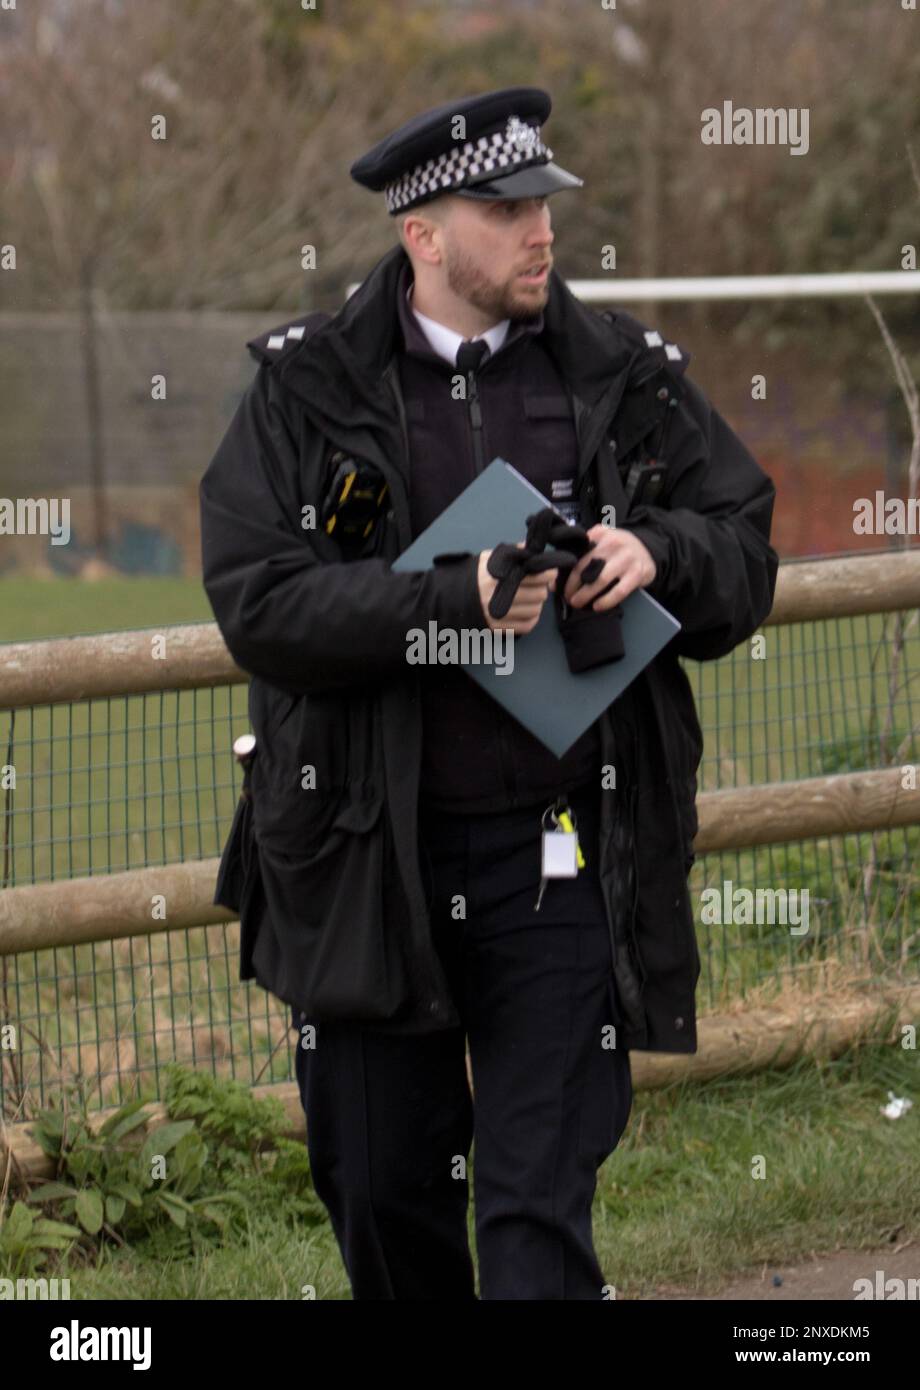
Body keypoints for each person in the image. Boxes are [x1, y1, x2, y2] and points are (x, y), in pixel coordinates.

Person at [199, 86, 778, 1300]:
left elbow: (744, 545)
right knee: (383, 1195)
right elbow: (258, 600)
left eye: (543, 204)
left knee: (532, 1221)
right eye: (504, 207)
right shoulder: (302, 394)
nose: (539, 230)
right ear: (422, 233)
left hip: (562, 859)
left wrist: (658, 551)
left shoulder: (624, 375)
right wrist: (447, 598)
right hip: (365, 864)